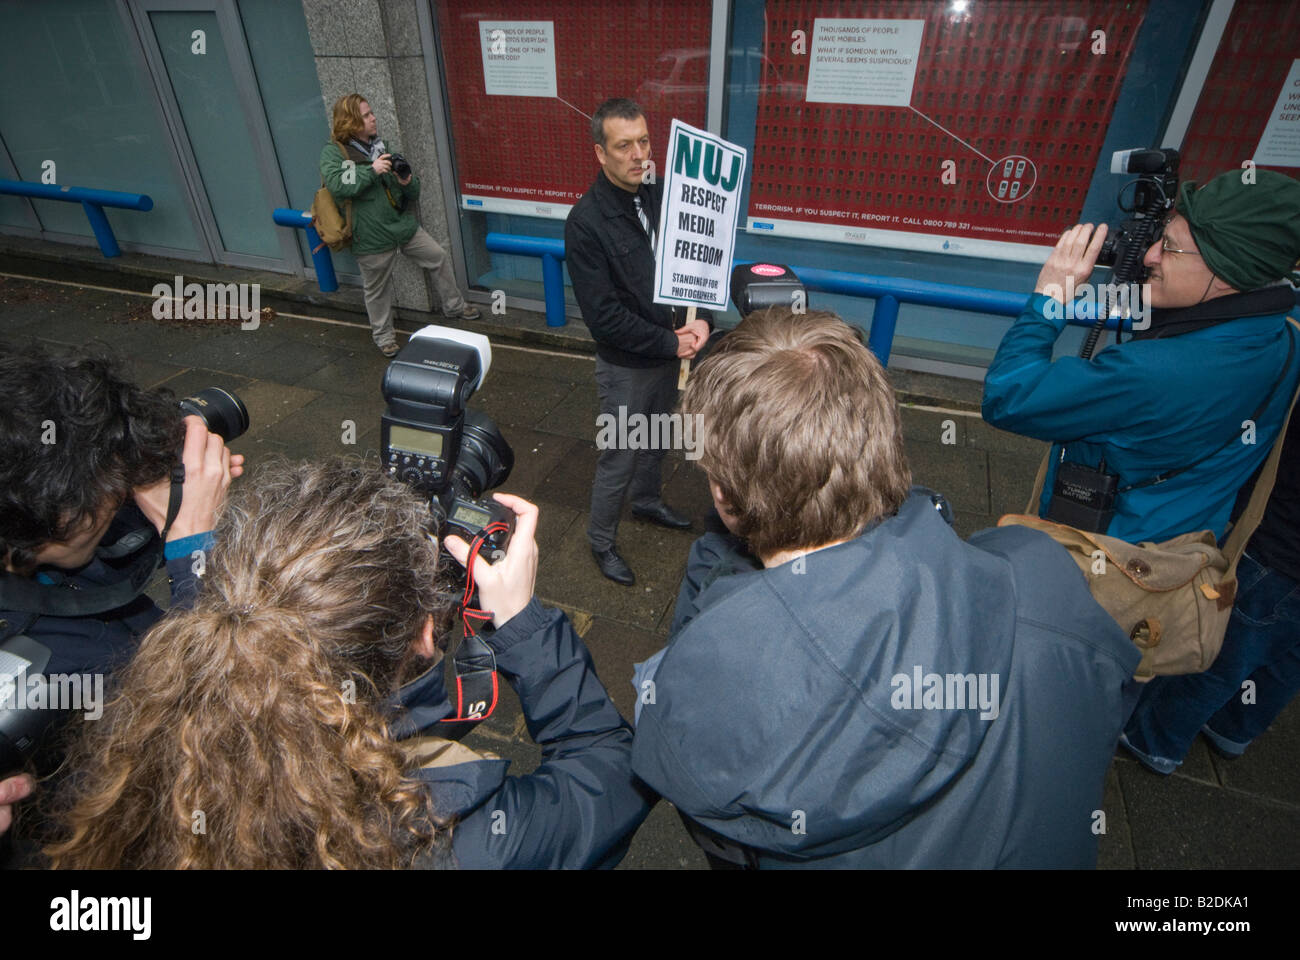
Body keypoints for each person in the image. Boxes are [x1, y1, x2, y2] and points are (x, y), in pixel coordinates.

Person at [630, 308, 1140, 868]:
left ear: (724, 495)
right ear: (882, 439)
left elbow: (703, 801)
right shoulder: (1040, 576)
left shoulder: (708, 696)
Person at [42, 458, 652, 869]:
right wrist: (522, 622)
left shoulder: (133, 767)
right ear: (422, 636)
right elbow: (610, 770)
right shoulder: (450, 839)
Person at [0, 344, 242, 848]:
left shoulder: (40, 536)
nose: (117, 494)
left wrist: (164, 488)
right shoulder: (42, 679)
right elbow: (216, 730)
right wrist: (194, 548)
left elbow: (88, 568)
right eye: (105, 487)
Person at [982, 169, 1300, 544]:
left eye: (1169, 247)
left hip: (1109, 557)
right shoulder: (1284, 339)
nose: (1149, 255)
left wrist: (1051, 298)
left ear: (1229, 273)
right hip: (1186, 547)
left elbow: (1009, 397)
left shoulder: (1153, 371)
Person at [1121, 370, 1300, 774]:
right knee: (1285, 663)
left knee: (1221, 654)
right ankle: (1233, 729)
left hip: (1276, 556)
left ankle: (1154, 741)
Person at [564, 97, 711, 586]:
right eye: (623, 145)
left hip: (670, 352)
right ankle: (600, 541)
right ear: (599, 154)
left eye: (644, 141)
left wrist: (703, 319)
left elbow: (697, 260)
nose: (637, 154)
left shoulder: (661, 193)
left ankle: (647, 503)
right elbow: (603, 318)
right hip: (627, 365)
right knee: (621, 453)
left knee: (657, 437)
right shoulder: (585, 223)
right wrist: (671, 344)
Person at [320, 93, 479, 358]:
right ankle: (384, 337)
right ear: (351, 121)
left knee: (437, 256)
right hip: (369, 235)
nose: (373, 118)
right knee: (377, 289)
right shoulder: (335, 152)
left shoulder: (382, 145)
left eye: (372, 113)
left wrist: (406, 181)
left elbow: (411, 191)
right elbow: (339, 184)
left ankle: (454, 306)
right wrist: (372, 170)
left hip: (400, 226)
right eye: (367, 115)